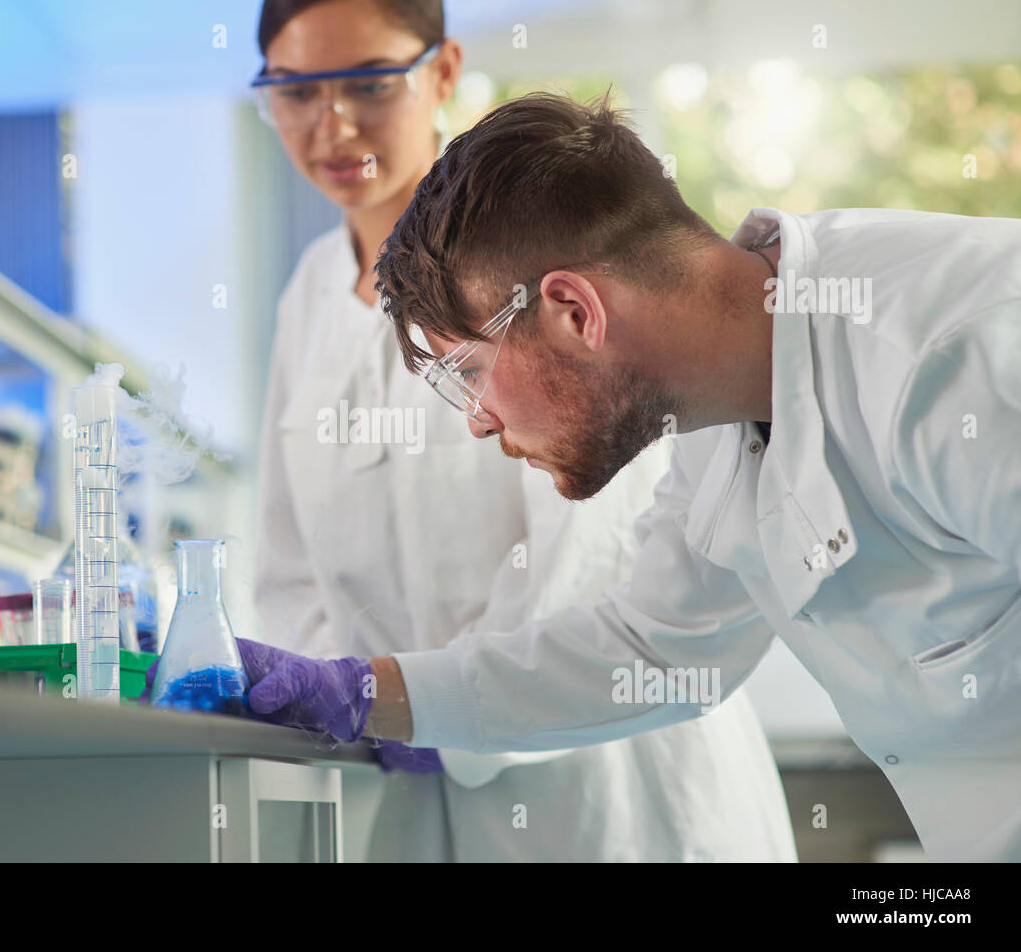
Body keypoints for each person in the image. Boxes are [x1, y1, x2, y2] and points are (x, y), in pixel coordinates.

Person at [235, 91, 1021, 862]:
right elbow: (652, 650)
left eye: (469, 370)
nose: (475, 419)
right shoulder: (718, 420)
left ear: (575, 310)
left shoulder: (951, 360)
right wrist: (370, 691)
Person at [244, 0, 795, 860]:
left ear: (445, 73)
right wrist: (349, 699)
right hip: (407, 783)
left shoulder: (529, 250)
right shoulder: (306, 297)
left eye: (368, 85)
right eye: (297, 91)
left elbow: (594, 561)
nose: (333, 124)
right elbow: (288, 565)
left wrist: (431, 714)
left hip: (611, 781)